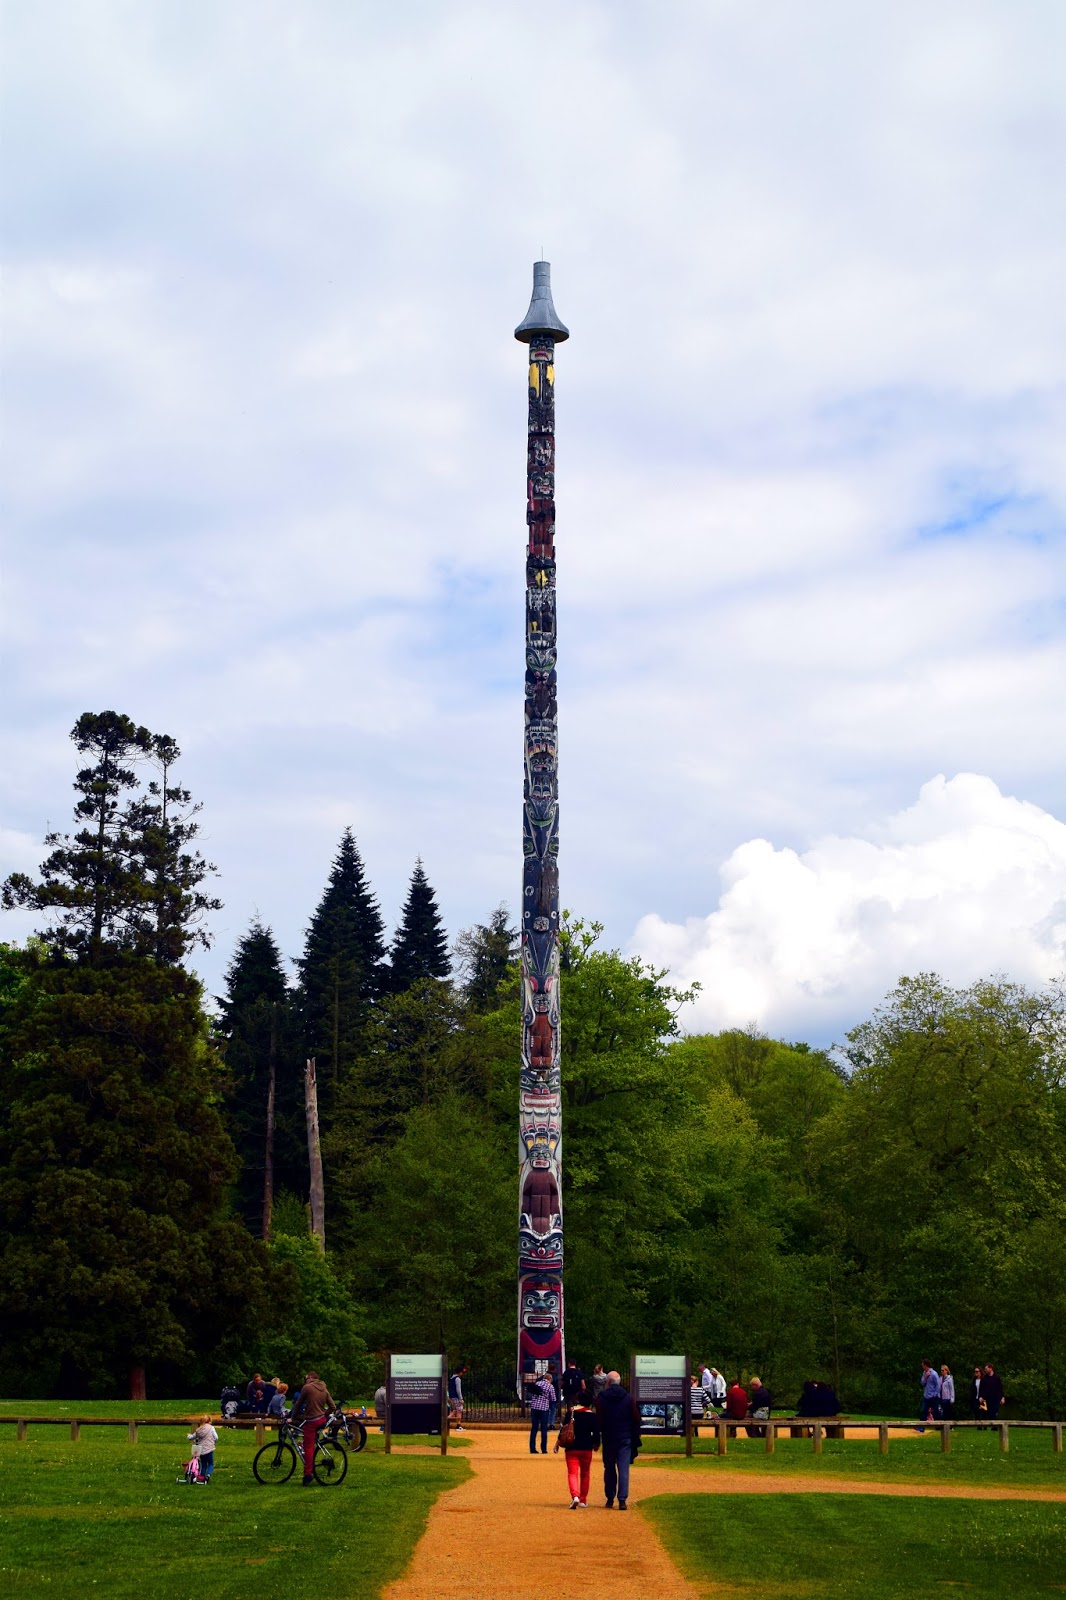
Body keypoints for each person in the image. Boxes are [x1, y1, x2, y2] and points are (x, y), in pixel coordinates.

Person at [595, 1370, 641, 1510]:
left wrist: (597, 1438)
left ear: (608, 1382)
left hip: (609, 1437)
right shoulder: (628, 1398)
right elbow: (636, 1418)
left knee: (609, 1468)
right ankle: (622, 1500)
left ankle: (610, 1497)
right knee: (623, 1469)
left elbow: (599, 1419)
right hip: (625, 1436)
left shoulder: (602, 1397)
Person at [554, 1382, 601, 1508]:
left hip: (572, 1446)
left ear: (578, 1400)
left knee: (572, 1473)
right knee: (585, 1474)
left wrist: (558, 1443)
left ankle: (575, 1495)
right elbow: (596, 1433)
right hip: (586, 1447)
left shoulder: (572, 1412)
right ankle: (583, 1499)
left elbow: (564, 1428)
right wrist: (596, 1444)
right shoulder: (592, 1416)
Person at [290, 1369, 336, 1486]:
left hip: (312, 1420)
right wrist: (323, 1414)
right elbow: (332, 1407)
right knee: (310, 1439)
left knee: (308, 1447)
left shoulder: (307, 1388)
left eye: (306, 1379)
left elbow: (298, 1404)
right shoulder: (324, 1389)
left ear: (310, 1378)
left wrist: (292, 1418)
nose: (305, 1382)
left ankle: (308, 1475)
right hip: (321, 1419)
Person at [528, 1370, 556, 1455]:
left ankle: (532, 1448)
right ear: (550, 1379)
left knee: (534, 1428)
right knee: (544, 1429)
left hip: (534, 1408)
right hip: (544, 1409)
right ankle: (543, 1449)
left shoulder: (537, 1383)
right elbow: (553, 1399)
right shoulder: (550, 1386)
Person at [188, 1415, 218, 1482]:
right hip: (209, 1449)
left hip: (201, 1450)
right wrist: (213, 1441)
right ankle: (208, 1475)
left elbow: (192, 1437)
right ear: (209, 1421)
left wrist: (188, 1436)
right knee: (210, 1463)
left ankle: (202, 1477)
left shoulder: (199, 1430)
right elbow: (216, 1437)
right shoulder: (211, 1428)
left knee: (204, 1464)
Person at [918, 1360, 941, 1431]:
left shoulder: (934, 1374)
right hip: (926, 1396)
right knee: (923, 1411)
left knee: (935, 1412)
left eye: (922, 1365)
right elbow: (922, 1383)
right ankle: (921, 1427)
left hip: (933, 1397)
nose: (922, 1367)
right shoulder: (924, 1373)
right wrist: (925, 1377)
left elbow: (938, 1385)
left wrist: (935, 1394)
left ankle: (938, 1427)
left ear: (926, 1365)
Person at [448, 1366, 467, 1430]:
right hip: (456, 1397)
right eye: (462, 1372)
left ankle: (445, 1421)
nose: (462, 1374)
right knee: (459, 1410)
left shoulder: (451, 1378)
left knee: (454, 1410)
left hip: (451, 1397)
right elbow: (458, 1389)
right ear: (460, 1372)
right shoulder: (457, 1379)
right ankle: (458, 1425)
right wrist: (461, 1399)